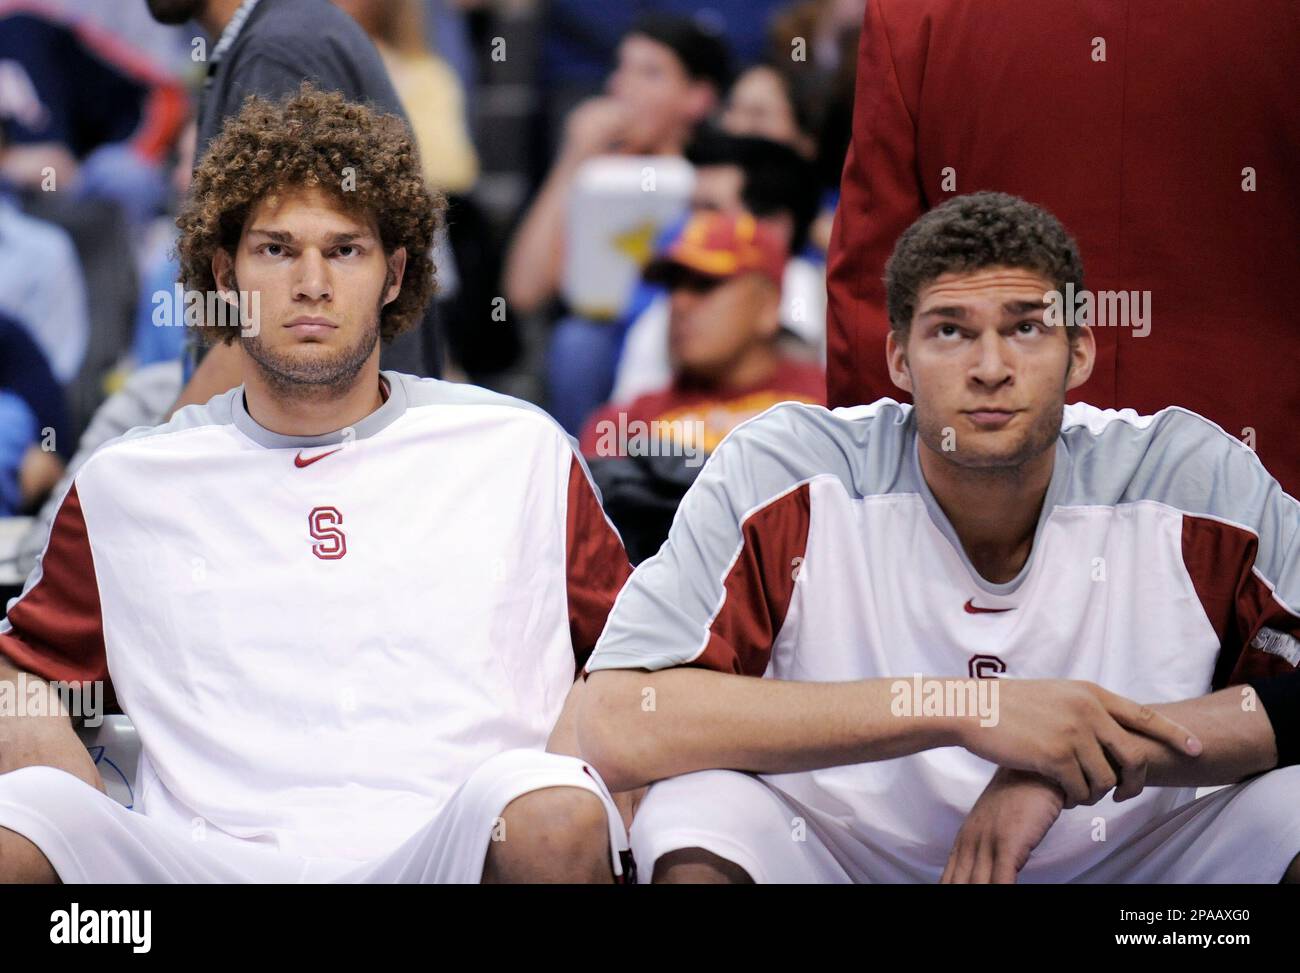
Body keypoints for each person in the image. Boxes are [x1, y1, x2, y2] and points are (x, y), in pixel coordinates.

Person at [0, 86, 632, 884]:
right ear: (225, 274)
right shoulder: (131, 481)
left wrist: (572, 764)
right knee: (17, 826)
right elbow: (16, 673)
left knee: (552, 808)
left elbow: (636, 658)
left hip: (454, 841)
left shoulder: (520, 448)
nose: (311, 282)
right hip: (200, 862)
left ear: (395, 273)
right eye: (275, 250)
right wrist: (72, 793)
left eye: (345, 250)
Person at [578, 192, 1300, 884]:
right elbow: (613, 720)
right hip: (842, 862)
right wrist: (964, 709)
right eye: (951, 330)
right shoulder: (788, 468)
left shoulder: (1189, 475)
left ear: (1080, 353)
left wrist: (1068, 760)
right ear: (899, 359)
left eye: (1026, 327)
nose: (990, 369)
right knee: (696, 815)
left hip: (1136, 870)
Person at [825, 0, 1300, 496]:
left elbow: (870, 292)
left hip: (980, 489)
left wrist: (878, 496)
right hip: (1258, 464)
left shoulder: (918, 13)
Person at [145, 0, 439, 414]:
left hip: (327, 447)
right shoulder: (285, 31)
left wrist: (163, 462)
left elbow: (272, 319)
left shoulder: (276, 49)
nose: (312, 282)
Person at [580, 210, 824, 564]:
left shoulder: (833, 406)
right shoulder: (618, 425)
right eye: (674, 285)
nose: (679, 303)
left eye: (704, 284)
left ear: (769, 305)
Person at [504, 13, 731, 316]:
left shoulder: (722, 175)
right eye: (621, 68)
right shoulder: (596, 175)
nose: (621, 86)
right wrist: (573, 158)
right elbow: (523, 291)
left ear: (698, 97)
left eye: (650, 73)